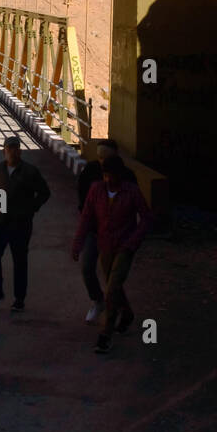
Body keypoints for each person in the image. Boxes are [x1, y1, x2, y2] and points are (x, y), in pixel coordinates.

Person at [72, 154, 153, 354]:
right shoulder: (96, 190)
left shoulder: (131, 192)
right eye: (106, 175)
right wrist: (78, 243)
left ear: (119, 175)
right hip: (105, 246)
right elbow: (86, 218)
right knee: (113, 285)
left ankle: (105, 335)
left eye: (112, 175)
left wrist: (133, 242)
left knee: (112, 288)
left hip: (125, 247)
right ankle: (127, 313)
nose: (108, 180)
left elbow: (146, 219)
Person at [76, 139, 138, 324]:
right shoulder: (91, 172)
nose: (102, 161)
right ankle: (98, 301)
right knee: (87, 267)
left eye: (106, 157)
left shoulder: (128, 177)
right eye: (99, 156)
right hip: (94, 231)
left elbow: (136, 208)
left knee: (113, 277)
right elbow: (82, 202)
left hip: (117, 235)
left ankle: (119, 315)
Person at [0, 136, 50, 312]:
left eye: (15, 148)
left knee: (19, 260)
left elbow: (44, 192)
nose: (12, 151)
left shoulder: (30, 171)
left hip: (21, 224)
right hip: (2, 222)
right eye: (9, 148)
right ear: (4, 151)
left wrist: (31, 209)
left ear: (20, 151)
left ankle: (19, 298)